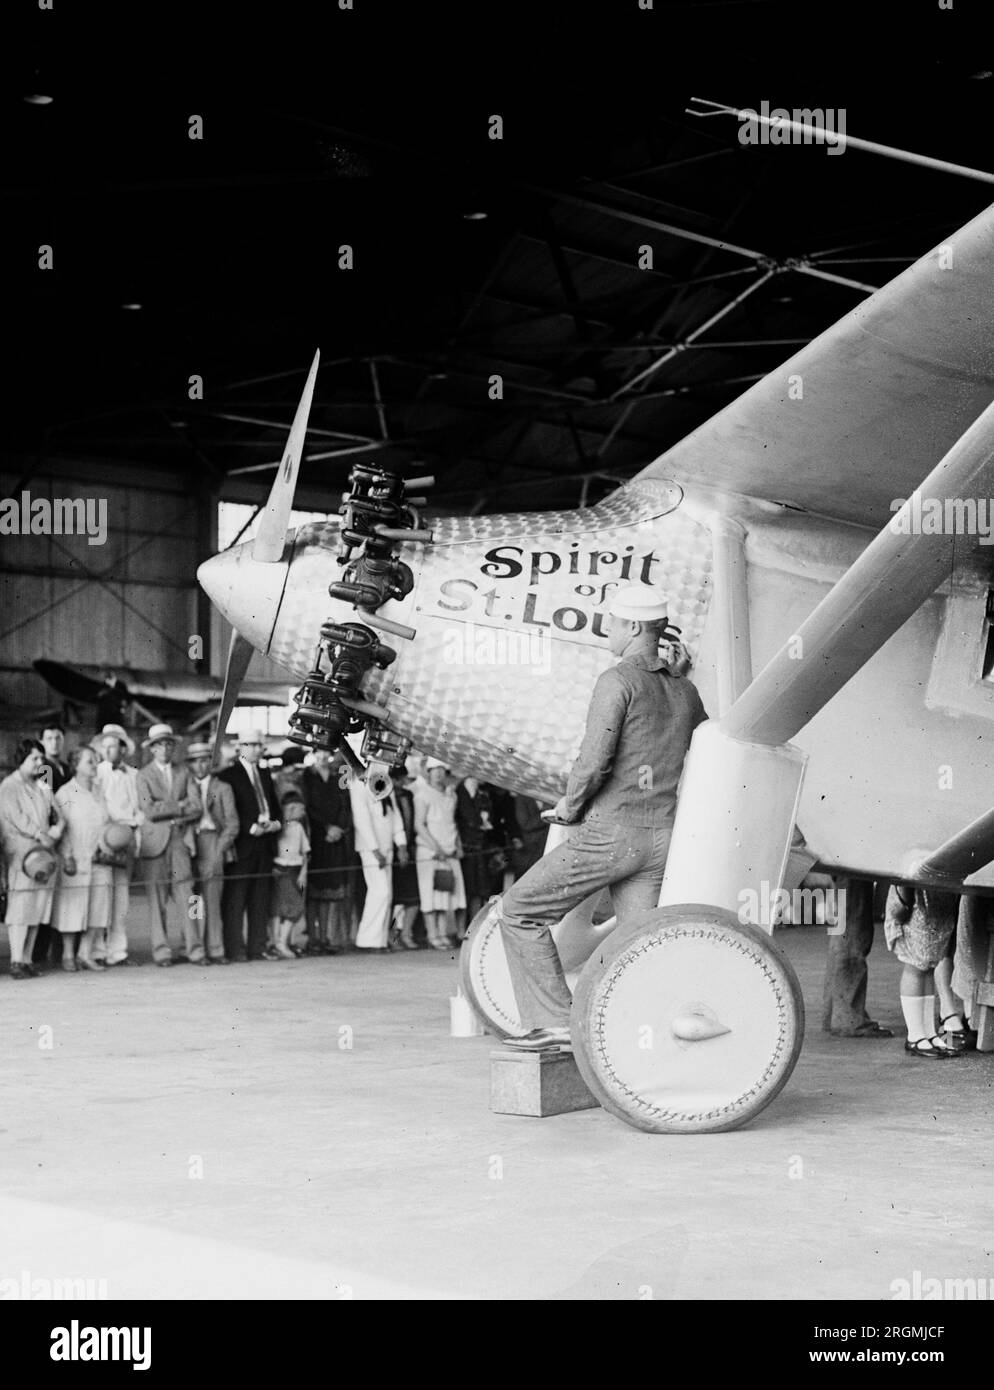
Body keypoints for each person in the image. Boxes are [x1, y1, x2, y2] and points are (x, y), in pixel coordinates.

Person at [497, 584, 707, 1051]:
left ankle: (555, 1023)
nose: (607, 633)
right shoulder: (685, 691)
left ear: (632, 627)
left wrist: (568, 808)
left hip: (614, 833)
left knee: (519, 911)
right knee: (639, 949)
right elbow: (699, 743)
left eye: (611, 624)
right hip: (662, 838)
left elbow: (594, 759)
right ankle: (653, 1043)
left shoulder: (617, 680)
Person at [136, 724, 202, 966]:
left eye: (168, 744)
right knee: (157, 901)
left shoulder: (184, 772)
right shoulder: (143, 775)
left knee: (189, 896)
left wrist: (173, 809)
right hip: (154, 845)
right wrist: (179, 806)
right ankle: (161, 952)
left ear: (173, 747)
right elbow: (149, 810)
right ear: (152, 749)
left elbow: (197, 807)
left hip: (180, 841)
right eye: (159, 744)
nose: (164, 748)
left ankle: (194, 949)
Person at [0, 738, 65, 978]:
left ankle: (27, 960)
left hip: (44, 853)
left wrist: (56, 831)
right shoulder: (9, 786)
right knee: (21, 907)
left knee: (38, 906)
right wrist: (40, 834)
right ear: (22, 760)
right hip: (21, 855)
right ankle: (17, 960)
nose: (40, 762)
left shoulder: (43, 787)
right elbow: (16, 817)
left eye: (41, 758)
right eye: (34, 758)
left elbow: (57, 814)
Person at [884, 885, 970, 1059]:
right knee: (915, 965)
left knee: (929, 966)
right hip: (916, 895)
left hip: (936, 895)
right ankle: (915, 1035)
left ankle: (928, 1032)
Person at [218, 729, 281, 962]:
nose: (257, 749)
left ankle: (258, 947)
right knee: (236, 899)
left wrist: (276, 823)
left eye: (258, 745)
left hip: (265, 844)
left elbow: (274, 805)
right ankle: (235, 949)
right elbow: (227, 810)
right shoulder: (228, 776)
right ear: (240, 748)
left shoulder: (265, 775)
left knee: (260, 898)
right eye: (251, 745)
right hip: (241, 845)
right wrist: (249, 827)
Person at [51, 746, 114, 972]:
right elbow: (61, 827)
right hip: (74, 857)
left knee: (98, 907)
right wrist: (67, 855)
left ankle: (85, 954)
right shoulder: (65, 793)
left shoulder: (99, 791)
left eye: (96, 761)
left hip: (99, 856)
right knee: (72, 907)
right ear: (75, 765)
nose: (95, 765)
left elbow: (107, 823)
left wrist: (106, 847)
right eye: (90, 761)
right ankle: (68, 954)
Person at [94, 723, 146, 966]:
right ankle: (98, 950)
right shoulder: (96, 774)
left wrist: (134, 834)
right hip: (103, 838)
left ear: (123, 749)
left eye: (112, 746)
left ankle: (118, 951)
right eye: (104, 746)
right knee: (102, 896)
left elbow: (139, 809)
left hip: (126, 838)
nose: (107, 751)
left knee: (121, 898)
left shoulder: (134, 775)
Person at [185, 742, 239, 964]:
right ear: (190, 764)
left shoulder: (222, 787)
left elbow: (232, 824)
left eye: (205, 760)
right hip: (189, 844)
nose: (201, 765)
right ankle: (195, 949)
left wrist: (219, 850)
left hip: (214, 843)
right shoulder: (185, 786)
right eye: (196, 760)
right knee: (193, 900)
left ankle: (216, 949)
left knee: (213, 900)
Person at [821, 875, 894, 1039]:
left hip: (842, 864)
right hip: (851, 867)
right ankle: (849, 1020)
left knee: (845, 930)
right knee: (854, 932)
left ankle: (836, 1015)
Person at [349, 771, 408, 951]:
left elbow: (395, 815)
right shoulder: (358, 785)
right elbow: (361, 819)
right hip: (370, 848)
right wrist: (374, 849)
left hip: (387, 845)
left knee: (387, 894)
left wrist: (401, 844)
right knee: (380, 891)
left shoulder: (385, 782)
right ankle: (367, 940)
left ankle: (380, 940)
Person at [301, 748, 353, 954]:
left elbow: (345, 803)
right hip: (316, 837)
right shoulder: (306, 776)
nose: (323, 758)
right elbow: (307, 807)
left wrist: (340, 828)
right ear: (313, 754)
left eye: (326, 754)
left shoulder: (338, 775)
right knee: (314, 892)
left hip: (335, 838)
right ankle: (313, 938)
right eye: (319, 753)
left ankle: (326, 937)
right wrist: (326, 827)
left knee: (330, 893)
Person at [413, 758, 466, 950]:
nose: (438, 773)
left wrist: (457, 845)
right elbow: (418, 825)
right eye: (434, 769)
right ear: (428, 771)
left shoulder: (451, 795)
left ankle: (443, 933)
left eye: (441, 769)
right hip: (430, 852)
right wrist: (436, 849)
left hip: (450, 851)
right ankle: (432, 934)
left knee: (447, 894)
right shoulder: (422, 795)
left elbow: (452, 823)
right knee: (430, 894)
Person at [32, 721, 71, 966]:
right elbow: (46, 800)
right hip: (52, 832)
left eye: (58, 737)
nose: (54, 742)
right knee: (46, 896)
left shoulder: (66, 767)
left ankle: (57, 950)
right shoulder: (44, 767)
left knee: (63, 897)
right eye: (49, 738)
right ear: (42, 742)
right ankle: (39, 952)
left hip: (67, 831)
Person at [455, 777, 501, 921]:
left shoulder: (484, 791)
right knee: (467, 889)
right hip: (466, 847)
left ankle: (475, 921)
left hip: (482, 847)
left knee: (481, 888)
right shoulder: (461, 791)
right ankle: (463, 926)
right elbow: (467, 818)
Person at [271, 792, 310, 958]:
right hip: (281, 869)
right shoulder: (279, 827)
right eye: (300, 809)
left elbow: (305, 852)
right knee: (285, 906)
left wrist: (303, 873)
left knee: (294, 906)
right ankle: (279, 943)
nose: (303, 813)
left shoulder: (299, 827)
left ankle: (282, 942)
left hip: (295, 869)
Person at [390, 762, 422, 949]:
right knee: (394, 899)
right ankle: (394, 936)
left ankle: (407, 933)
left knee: (413, 898)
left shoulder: (409, 795)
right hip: (393, 851)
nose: (401, 783)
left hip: (409, 849)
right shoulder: (387, 794)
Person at [509, 794, 549, 880]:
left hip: (546, 846)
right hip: (529, 848)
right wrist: (547, 814)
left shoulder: (551, 797)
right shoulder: (522, 797)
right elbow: (526, 823)